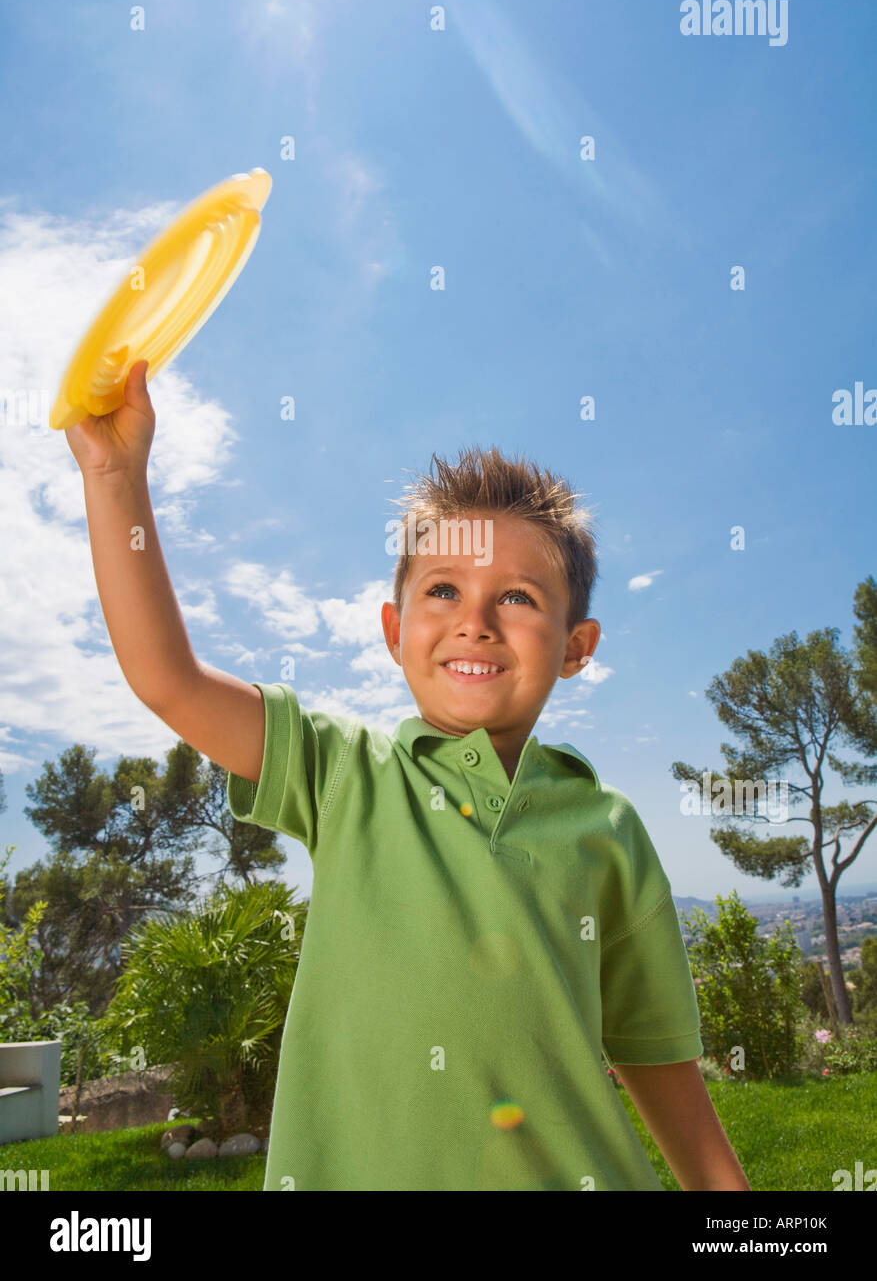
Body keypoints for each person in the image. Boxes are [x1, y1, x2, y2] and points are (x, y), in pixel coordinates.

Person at [67, 358, 750, 1192]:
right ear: (394, 630)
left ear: (575, 647)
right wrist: (114, 475)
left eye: (519, 599)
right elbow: (165, 677)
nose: (473, 622)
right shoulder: (342, 771)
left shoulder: (605, 827)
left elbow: (659, 1063)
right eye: (442, 590)